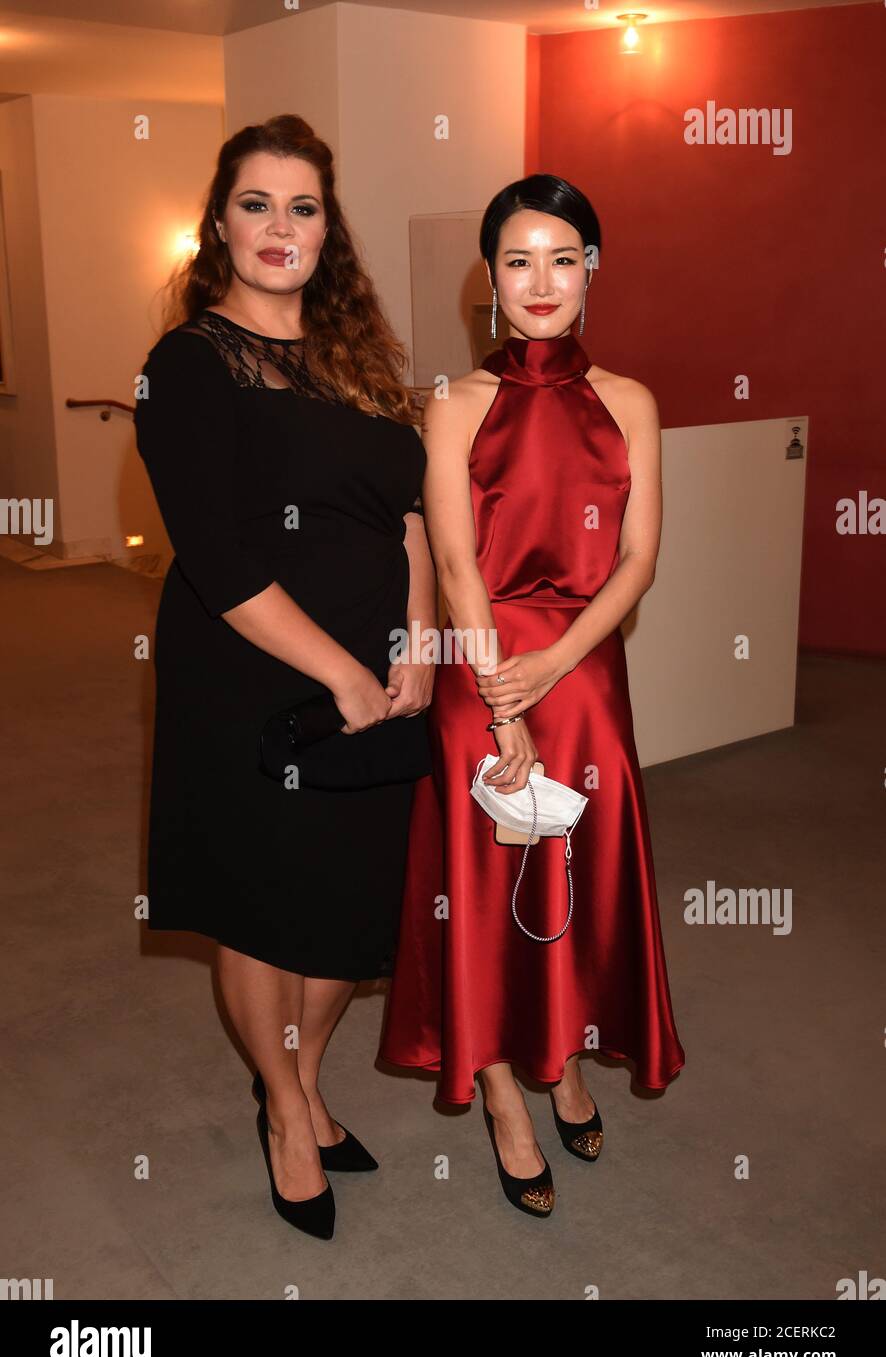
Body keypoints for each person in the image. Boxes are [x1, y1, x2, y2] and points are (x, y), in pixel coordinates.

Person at [133, 115, 436, 1240]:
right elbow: (218, 560)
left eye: (302, 207)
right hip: (252, 672)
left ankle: (302, 1085)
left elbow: (407, 513)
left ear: (327, 230)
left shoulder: (355, 360)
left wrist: (415, 638)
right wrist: (343, 676)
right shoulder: (186, 364)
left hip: (375, 665)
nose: (279, 227)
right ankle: (285, 1107)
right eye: (256, 204)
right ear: (220, 223)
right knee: (264, 910)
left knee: (344, 906)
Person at [379, 174, 685, 1219]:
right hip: (482, 673)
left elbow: (637, 560)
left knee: (576, 879)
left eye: (562, 257)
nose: (540, 280)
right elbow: (459, 568)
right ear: (492, 277)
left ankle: (565, 1060)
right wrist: (502, 700)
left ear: (590, 268)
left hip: (587, 673)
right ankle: (506, 1090)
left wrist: (557, 667)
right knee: (484, 889)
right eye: (518, 260)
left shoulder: (630, 401)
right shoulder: (452, 404)